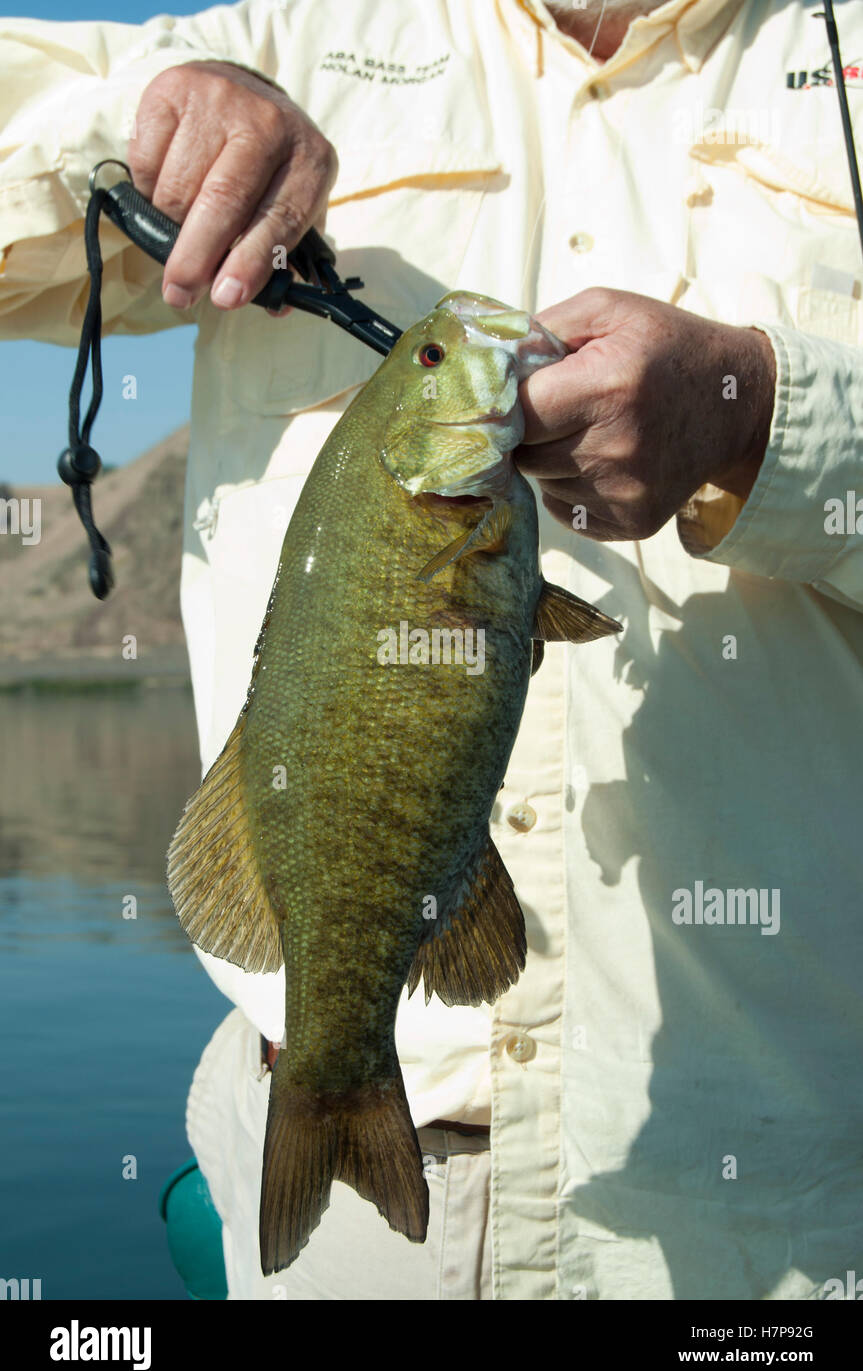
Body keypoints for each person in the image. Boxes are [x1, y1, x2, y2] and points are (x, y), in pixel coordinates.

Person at [2, 0, 862, 1300]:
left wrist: (758, 412)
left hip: (775, 1190)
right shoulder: (295, 29)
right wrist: (146, 122)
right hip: (346, 1213)